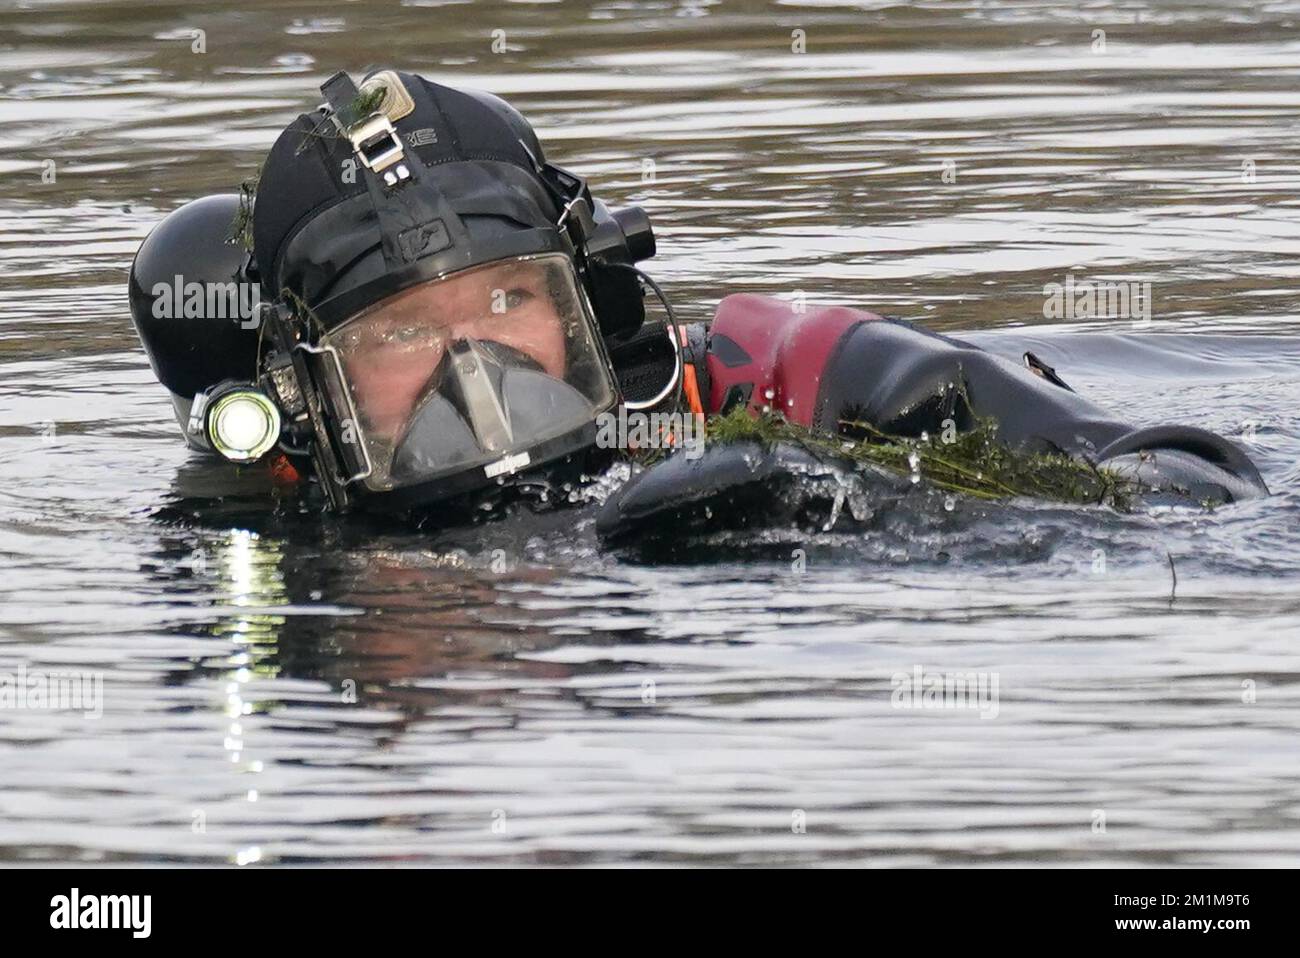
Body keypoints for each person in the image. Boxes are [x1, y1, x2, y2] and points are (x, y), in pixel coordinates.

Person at [128, 67, 1268, 537]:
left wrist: (842, 504)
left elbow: (1193, 486)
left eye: (512, 297)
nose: (472, 365)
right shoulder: (278, 512)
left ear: (596, 294)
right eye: (402, 330)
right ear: (303, 389)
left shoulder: (767, 371)